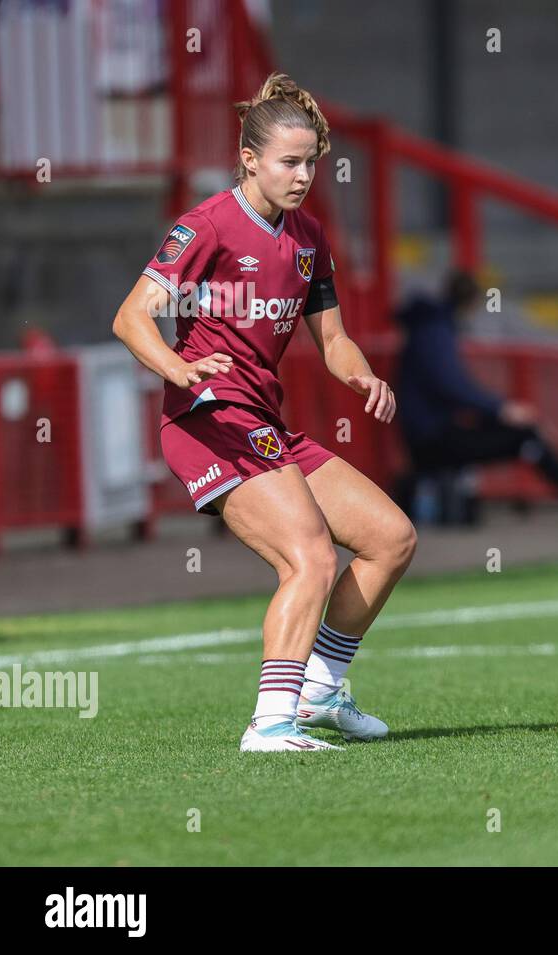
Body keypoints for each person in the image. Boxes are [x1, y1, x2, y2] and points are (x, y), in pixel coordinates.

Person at [112, 73, 416, 752]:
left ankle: (322, 688)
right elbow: (131, 318)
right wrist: (177, 366)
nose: (303, 175)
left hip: (265, 425)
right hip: (208, 420)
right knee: (308, 554)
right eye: (288, 161)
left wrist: (362, 373)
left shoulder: (308, 237)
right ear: (249, 158)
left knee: (390, 537)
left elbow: (332, 340)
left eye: (311, 162)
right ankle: (271, 723)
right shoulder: (206, 225)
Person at [393, 269, 558, 534]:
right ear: (471, 302)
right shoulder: (435, 331)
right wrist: (502, 409)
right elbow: (450, 386)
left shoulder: (431, 327)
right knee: (525, 435)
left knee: (525, 434)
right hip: (431, 437)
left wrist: (496, 411)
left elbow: (449, 388)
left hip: (430, 432)